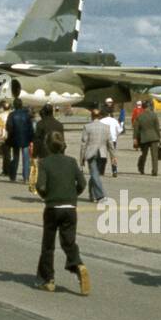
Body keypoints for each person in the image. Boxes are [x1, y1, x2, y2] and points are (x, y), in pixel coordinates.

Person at [35, 121, 90, 295]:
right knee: (69, 242)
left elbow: (41, 187)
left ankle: (48, 279)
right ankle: (77, 264)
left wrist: (46, 197)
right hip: (70, 207)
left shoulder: (44, 163)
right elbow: (82, 183)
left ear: (48, 146)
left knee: (48, 245)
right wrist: (73, 195)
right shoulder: (71, 161)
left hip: (52, 207)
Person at [79, 109, 113, 202]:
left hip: (91, 153)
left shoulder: (87, 127)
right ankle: (98, 196)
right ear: (100, 116)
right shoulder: (106, 127)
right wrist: (113, 156)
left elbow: (83, 144)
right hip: (102, 153)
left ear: (92, 116)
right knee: (95, 174)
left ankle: (95, 195)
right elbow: (110, 142)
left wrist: (81, 159)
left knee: (94, 174)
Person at [5, 103, 35, 182]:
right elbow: (30, 128)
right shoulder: (27, 115)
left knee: (15, 158)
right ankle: (26, 177)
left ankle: (13, 176)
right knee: (26, 159)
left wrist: (10, 137)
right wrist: (31, 138)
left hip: (15, 138)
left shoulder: (12, 115)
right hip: (25, 139)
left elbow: (9, 127)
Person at [132, 99, 161, 176]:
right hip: (154, 137)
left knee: (144, 154)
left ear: (142, 107)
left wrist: (135, 138)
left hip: (144, 137)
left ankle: (141, 169)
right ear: (149, 106)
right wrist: (159, 137)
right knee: (154, 156)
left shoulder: (139, 116)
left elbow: (136, 129)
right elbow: (157, 128)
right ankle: (155, 171)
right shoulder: (154, 115)